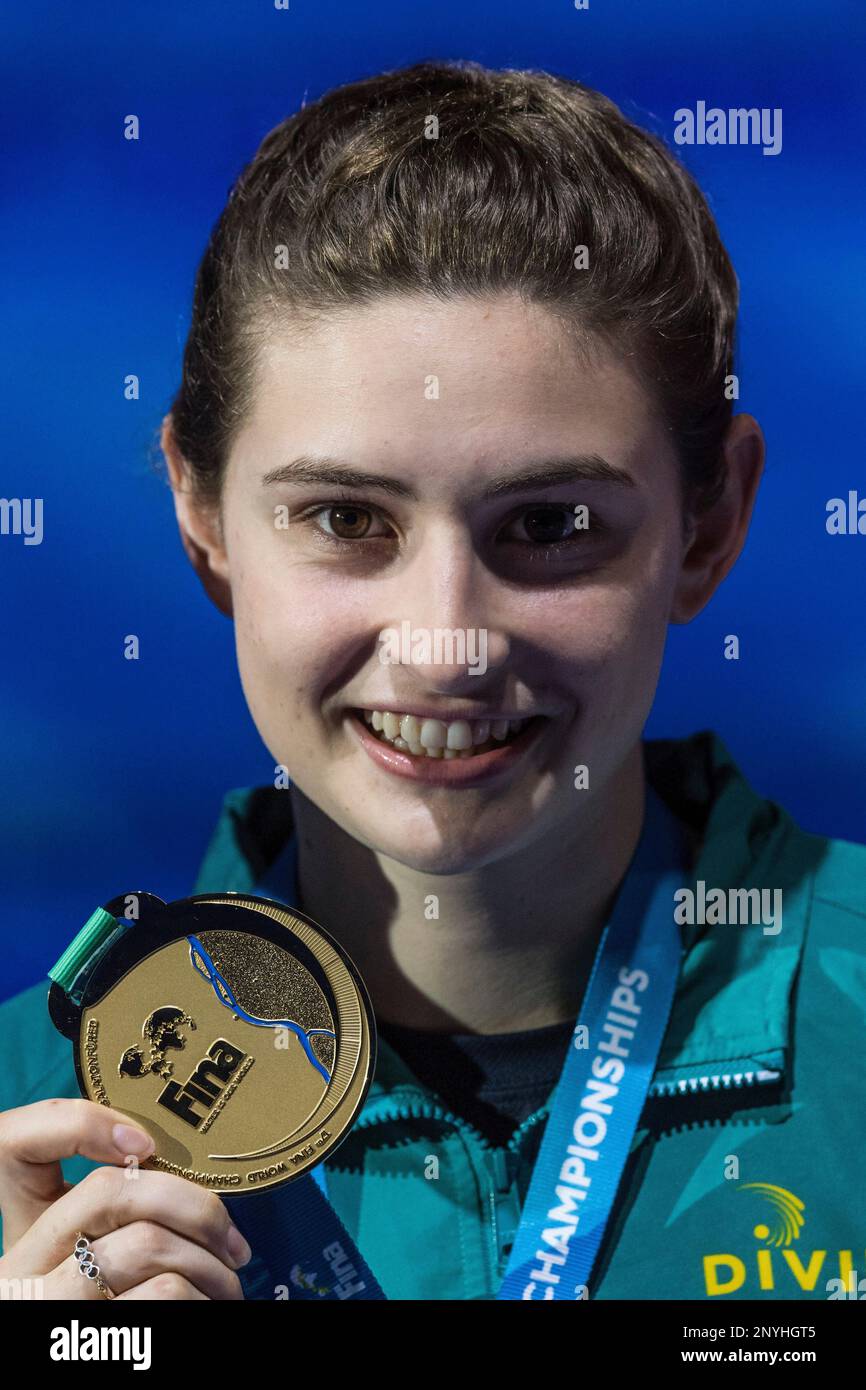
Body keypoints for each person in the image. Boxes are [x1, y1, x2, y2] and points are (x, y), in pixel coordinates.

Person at [1, 59, 864, 1303]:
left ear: (712, 517)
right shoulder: (31, 1113)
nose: (445, 641)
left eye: (551, 522)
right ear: (202, 518)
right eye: (347, 518)